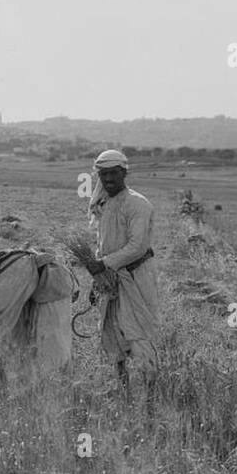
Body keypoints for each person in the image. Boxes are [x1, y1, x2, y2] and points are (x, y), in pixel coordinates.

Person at [83, 149, 159, 385]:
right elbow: (103, 244)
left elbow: (136, 247)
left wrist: (103, 264)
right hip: (110, 280)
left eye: (113, 173)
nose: (108, 179)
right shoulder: (104, 204)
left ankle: (150, 392)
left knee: (138, 332)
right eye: (103, 174)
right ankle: (122, 388)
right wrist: (98, 279)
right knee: (111, 332)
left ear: (124, 173)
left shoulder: (137, 204)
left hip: (135, 277)